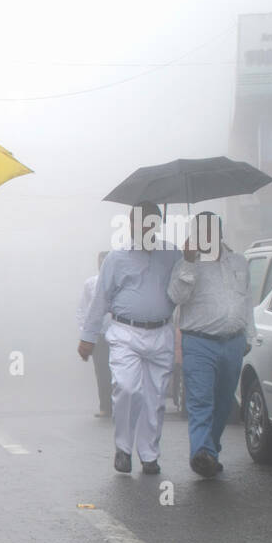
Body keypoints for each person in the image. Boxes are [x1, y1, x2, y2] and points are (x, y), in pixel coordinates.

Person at [79, 203, 178, 475]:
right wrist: (87, 337)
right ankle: (123, 448)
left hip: (161, 332)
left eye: (151, 222)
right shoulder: (116, 258)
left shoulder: (173, 255)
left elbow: (184, 289)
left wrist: (191, 262)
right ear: (131, 225)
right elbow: (101, 299)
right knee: (126, 388)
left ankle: (149, 454)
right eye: (139, 222)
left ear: (158, 224)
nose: (145, 227)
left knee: (154, 397)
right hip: (125, 333)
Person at [168, 212, 253, 477]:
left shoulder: (238, 262)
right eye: (201, 231)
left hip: (233, 342)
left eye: (211, 231)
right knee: (201, 401)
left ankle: (209, 450)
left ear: (219, 233)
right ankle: (201, 453)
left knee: (224, 403)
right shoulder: (185, 264)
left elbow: (247, 300)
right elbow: (176, 297)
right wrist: (189, 263)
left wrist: (248, 336)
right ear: (194, 235)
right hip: (199, 342)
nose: (207, 237)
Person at [76, 251, 112, 417]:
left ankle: (120, 405)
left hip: (118, 334)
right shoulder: (91, 283)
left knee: (120, 372)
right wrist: (86, 333)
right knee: (102, 371)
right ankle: (105, 406)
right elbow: (83, 309)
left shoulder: (119, 282)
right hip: (99, 334)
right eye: (101, 262)